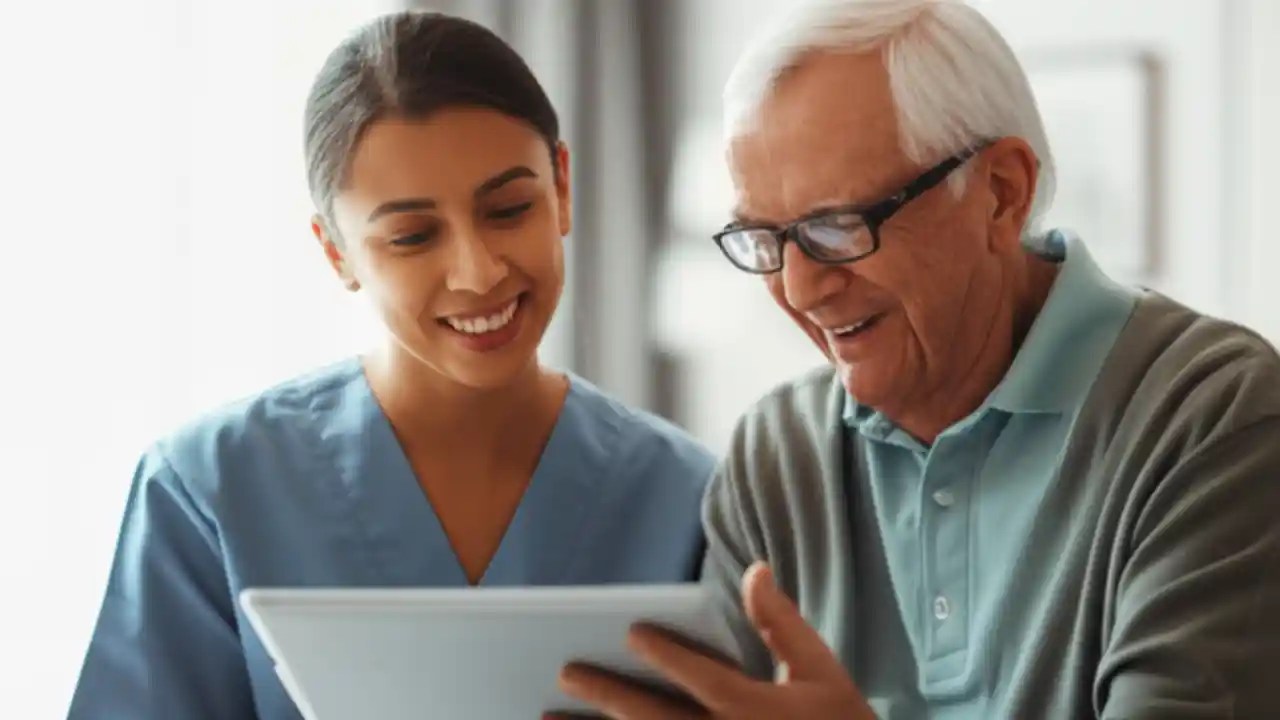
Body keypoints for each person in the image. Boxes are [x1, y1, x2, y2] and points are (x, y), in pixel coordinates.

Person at [557, 1, 1280, 718]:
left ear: (1002, 194)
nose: (800, 289)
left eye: (837, 226)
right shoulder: (777, 456)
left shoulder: (1212, 415)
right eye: (763, 239)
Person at [69, 11, 715, 719]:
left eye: (508, 209)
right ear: (336, 251)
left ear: (561, 186)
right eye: (411, 237)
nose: (476, 272)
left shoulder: (689, 497)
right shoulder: (206, 490)